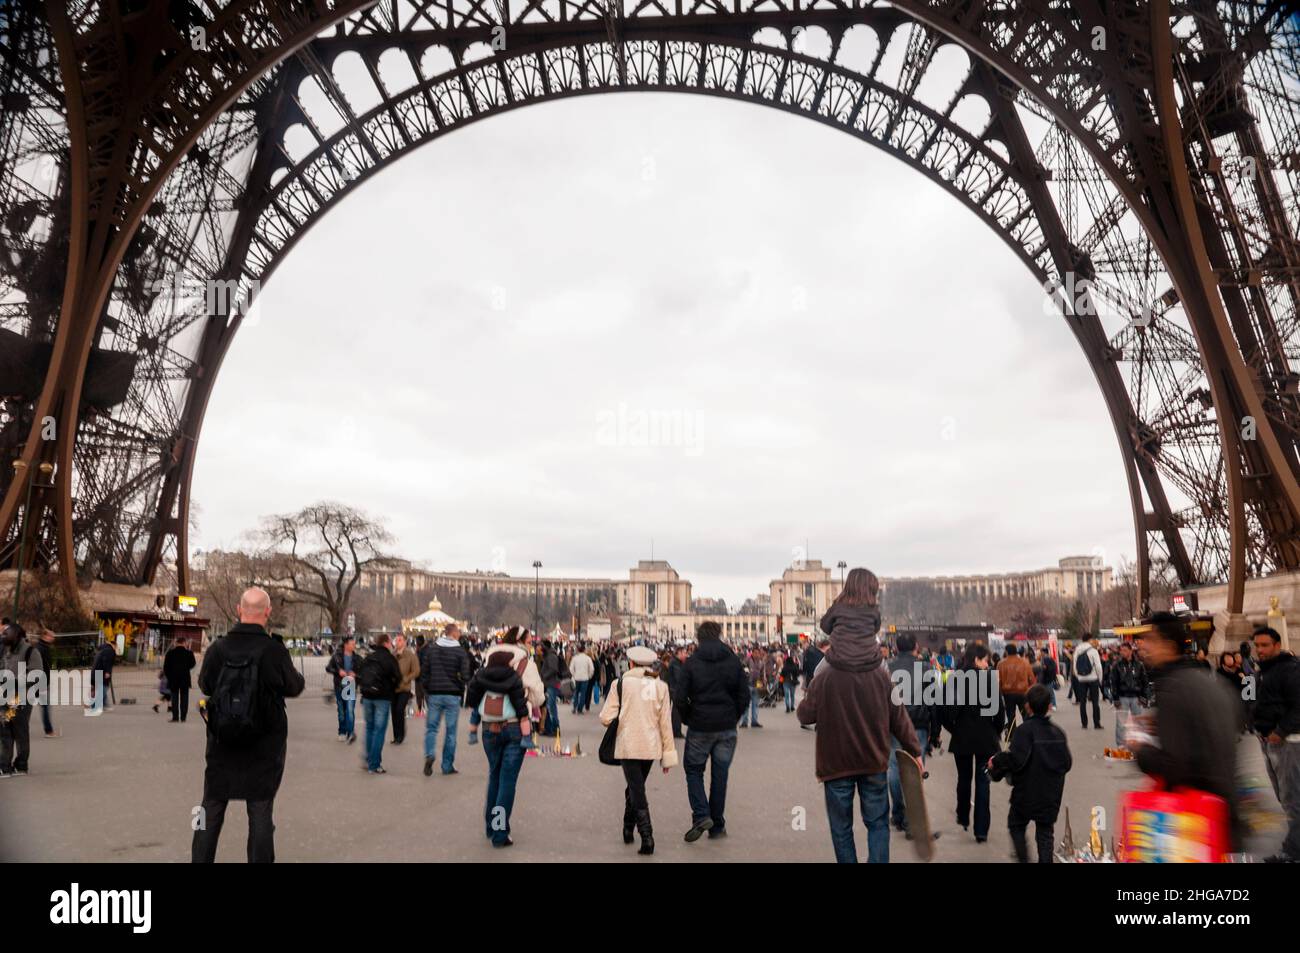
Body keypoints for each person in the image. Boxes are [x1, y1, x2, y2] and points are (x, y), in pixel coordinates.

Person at [797, 608, 919, 864]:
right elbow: (899, 717)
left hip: (835, 763)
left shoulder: (825, 675)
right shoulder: (881, 675)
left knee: (841, 828)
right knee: (877, 824)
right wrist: (915, 751)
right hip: (872, 759)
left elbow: (804, 715)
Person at [191, 588, 305, 862]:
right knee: (261, 810)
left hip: (223, 741)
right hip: (264, 744)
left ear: (238, 610)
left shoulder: (218, 648)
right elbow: (294, 686)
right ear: (267, 613)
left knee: (210, 807)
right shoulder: (273, 650)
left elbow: (206, 684)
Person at [1132, 612, 1242, 852]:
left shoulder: (1173, 689)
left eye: (1150, 640)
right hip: (1223, 812)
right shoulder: (1208, 681)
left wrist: (1141, 750)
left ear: (1168, 646)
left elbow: (1175, 766)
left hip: (1193, 823)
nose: (1143, 647)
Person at [674, 620, 749, 843]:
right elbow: (744, 695)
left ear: (699, 637)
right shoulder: (733, 661)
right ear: (719, 635)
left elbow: (679, 697)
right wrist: (733, 716)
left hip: (700, 725)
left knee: (694, 771)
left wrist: (689, 717)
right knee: (720, 776)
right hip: (726, 727)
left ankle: (701, 814)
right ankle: (717, 824)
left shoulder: (692, 662)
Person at [599, 645, 678, 855]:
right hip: (651, 746)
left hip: (629, 743)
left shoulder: (621, 684)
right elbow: (665, 724)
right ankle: (627, 826)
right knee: (636, 785)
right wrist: (668, 755)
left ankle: (647, 836)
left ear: (631, 663)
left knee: (636, 788)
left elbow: (606, 717)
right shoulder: (661, 687)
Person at [990, 683, 1071, 863]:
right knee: (1045, 833)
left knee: (1016, 825)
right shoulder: (1058, 733)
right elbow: (1067, 763)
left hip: (1025, 793)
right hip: (1050, 794)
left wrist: (996, 761)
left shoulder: (1024, 731)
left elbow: (1016, 760)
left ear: (1027, 706)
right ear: (1049, 706)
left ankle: (1024, 859)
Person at [465, 647, 534, 848]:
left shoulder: (480, 677)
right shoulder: (513, 677)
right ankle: (500, 832)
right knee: (507, 781)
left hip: (488, 730)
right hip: (513, 729)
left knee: (494, 775)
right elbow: (523, 704)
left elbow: (472, 701)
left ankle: (491, 826)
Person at [940, 643, 1000, 844]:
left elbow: (943, 712)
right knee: (983, 782)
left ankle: (963, 815)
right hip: (986, 739)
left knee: (963, 778)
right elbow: (999, 713)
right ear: (976, 660)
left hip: (962, 739)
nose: (987, 665)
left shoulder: (954, 680)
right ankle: (981, 830)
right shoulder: (989, 680)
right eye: (985, 660)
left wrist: (954, 730)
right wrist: (996, 732)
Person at [1252, 625, 1300, 862]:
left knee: (1293, 799)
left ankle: (1293, 852)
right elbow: (1253, 702)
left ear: (1277, 645)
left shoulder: (1290, 670)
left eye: (1265, 645)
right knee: (1284, 796)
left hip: (1288, 743)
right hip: (1268, 742)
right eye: (1257, 645)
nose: (1260, 650)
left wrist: (1280, 731)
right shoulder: (1260, 672)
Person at [887, 632, 939, 837]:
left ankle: (897, 813)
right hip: (918, 724)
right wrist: (935, 731)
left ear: (897, 648)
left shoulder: (887, 668)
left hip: (892, 725)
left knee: (893, 767)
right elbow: (934, 702)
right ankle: (911, 819)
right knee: (915, 770)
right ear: (916, 647)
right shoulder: (925, 668)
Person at [419, 623, 471, 776]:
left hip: (434, 693)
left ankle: (430, 754)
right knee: (451, 732)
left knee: (432, 728)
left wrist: (428, 688)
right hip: (452, 694)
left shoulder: (432, 649)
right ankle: (447, 765)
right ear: (454, 634)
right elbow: (466, 675)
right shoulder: (460, 652)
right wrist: (460, 685)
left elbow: (424, 672)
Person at [0, 623, 44, 778]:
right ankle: (5, 766)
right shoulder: (7, 651)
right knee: (5, 730)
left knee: (19, 731)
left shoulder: (31, 652)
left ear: (17, 634)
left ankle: (21, 765)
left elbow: (37, 675)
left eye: (6, 633)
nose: (3, 636)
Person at [357, 632, 402, 774]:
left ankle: (367, 759)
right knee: (379, 730)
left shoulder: (369, 657)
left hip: (367, 696)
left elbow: (360, 674)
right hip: (383, 697)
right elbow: (398, 677)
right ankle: (374, 764)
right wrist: (392, 688)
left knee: (369, 728)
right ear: (386, 643)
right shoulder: (389, 658)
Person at [1107, 640, 1148, 748]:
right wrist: (1115, 698)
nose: (1122, 652)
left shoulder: (1139, 665)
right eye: (1121, 651)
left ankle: (1140, 743)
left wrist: (1144, 697)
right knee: (1121, 723)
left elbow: (1144, 682)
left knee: (1139, 722)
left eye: (1125, 650)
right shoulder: (1117, 665)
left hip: (1136, 697)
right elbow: (1113, 682)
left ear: (1130, 651)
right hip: (1122, 697)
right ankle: (1121, 745)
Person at [325, 635, 360, 743]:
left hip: (351, 684)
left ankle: (351, 733)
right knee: (341, 711)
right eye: (352, 643)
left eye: (354, 643)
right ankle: (342, 731)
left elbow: (363, 670)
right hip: (340, 685)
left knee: (349, 710)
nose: (354, 645)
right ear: (346, 645)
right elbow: (328, 668)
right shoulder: (337, 656)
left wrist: (356, 674)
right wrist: (338, 672)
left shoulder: (357, 657)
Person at [390, 633, 420, 746]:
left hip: (404, 688)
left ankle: (400, 735)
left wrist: (407, 678)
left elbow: (416, 671)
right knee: (393, 712)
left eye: (400, 640)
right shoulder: (392, 655)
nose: (398, 642)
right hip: (393, 688)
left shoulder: (411, 656)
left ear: (405, 642)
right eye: (397, 640)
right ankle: (396, 735)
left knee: (399, 710)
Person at [996, 644, 1033, 732]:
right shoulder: (1025, 662)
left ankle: (1012, 734)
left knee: (1010, 716)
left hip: (1008, 694)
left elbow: (997, 681)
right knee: (1025, 714)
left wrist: (999, 694)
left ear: (1006, 651)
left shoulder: (1001, 664)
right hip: (1023, 692)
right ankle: (1028, 732)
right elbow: (1032, 679)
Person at [538, 640, 569, 737]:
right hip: (549, 684)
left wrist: (544, 676)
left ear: (545, 646)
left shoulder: (551, 656)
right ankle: (550, 729)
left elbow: (553, 669)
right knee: (549, 707)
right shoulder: (549, 655)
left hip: (552, 684)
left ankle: (555, 729)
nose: (539, 648)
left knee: (551, 708)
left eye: (541, 646)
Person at [162, 636, 196, 723]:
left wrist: (169, 676)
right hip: (185, 678)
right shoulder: (189, 653)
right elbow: (193, 664)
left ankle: (175, 717)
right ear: (184, 643)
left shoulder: (170, 653)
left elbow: (165, 667)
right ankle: (183, 717)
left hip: (173, 679)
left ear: (176, 643)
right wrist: (185, 668)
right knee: (185, 698)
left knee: (174, 698)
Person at [1072, 636, 1103, 730]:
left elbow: (1074, 665)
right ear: (1090, 639)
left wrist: (1078, 676)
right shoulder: (1093, 650)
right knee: (1095, 702)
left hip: (1081, 679)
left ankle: (1084, 723)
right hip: (1093, 678)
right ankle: (1096, 723)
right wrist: (1100, 678)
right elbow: (1098, 666)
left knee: (1082, 702)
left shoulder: (1077, 650)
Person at [35, 627, 59, 738]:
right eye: (51, 636)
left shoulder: (43, 647)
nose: (53, 638)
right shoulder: (41, 649)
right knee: (45, 706)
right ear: (45, 636)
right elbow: (40, 667)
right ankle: (48, 731)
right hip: (40, 682)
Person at [89, 637, 116, 713]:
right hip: (102, 672)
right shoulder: (110, 651)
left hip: (96, 671)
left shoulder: (103, 649)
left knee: (100, 689)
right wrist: (107, 671)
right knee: (103, 689)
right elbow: (107, 661)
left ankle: (104, 705)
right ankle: (95, 705)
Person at [666, 644, 688, 737]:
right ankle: (676, 731)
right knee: (676, 712)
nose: (686, 655)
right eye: (684, 653)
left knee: (676, 711)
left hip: (674, 689)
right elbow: (679, 678)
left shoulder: (677, 662)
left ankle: (676, 730)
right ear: (679, 653)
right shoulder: (675, 663)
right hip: (675, 690)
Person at [738, 648, 763, 729]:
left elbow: (762, 673)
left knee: (755, 704)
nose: (757, 655)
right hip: (747, 684)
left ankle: (754, 721)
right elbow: (741, 669)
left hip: (757, 685)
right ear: (752, 653)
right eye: (755, 653)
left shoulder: (761, 662)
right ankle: (744, 722)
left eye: (758, 653)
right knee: (746, 705)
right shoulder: (747, 660)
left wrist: (763, 682)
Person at [569, 643, 595, 715]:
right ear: (584, 650)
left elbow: (571, 668)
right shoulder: (588, 658)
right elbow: (592, 669)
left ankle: (574, 707)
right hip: (585, 678)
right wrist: (589, 676)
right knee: (583, 694)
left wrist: (574, 675)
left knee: (576, 693)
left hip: (577, 678)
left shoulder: (575, 658)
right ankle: (580, 709)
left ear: (578, 650)